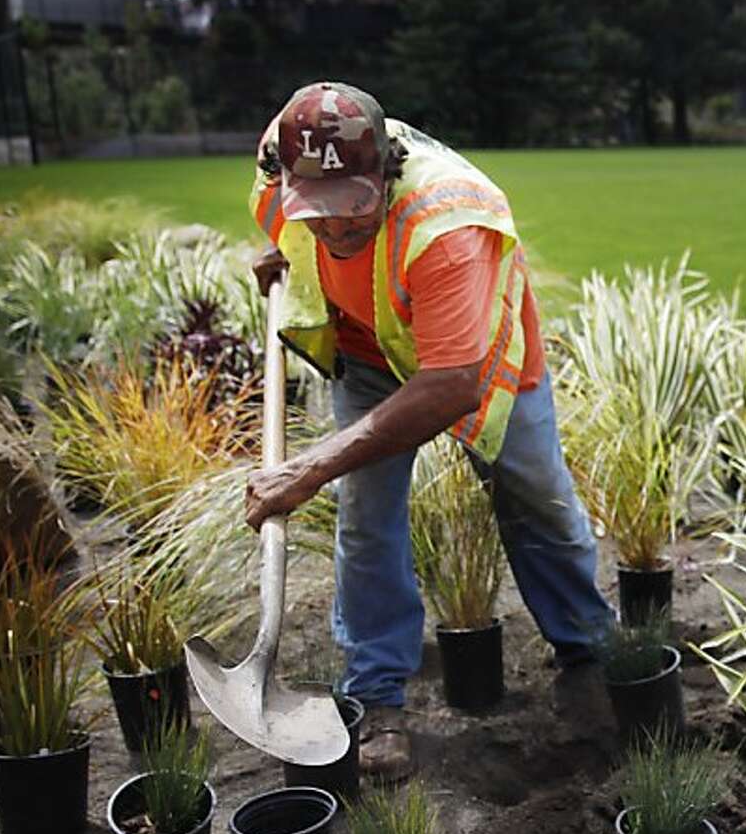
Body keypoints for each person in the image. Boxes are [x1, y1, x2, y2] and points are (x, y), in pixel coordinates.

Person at [242, 82, 611, 780]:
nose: (336, 229)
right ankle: (377, 696)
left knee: (538, 498)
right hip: (366, 349)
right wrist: (286, 246)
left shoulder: (448, 228)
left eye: (353, 209)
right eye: (317, 213)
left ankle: (588, 653)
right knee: (366, 519)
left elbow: (450, 385)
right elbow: (293, 220)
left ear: (386, 173)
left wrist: (309, 467)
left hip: (474, 358)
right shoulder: (279, 155)